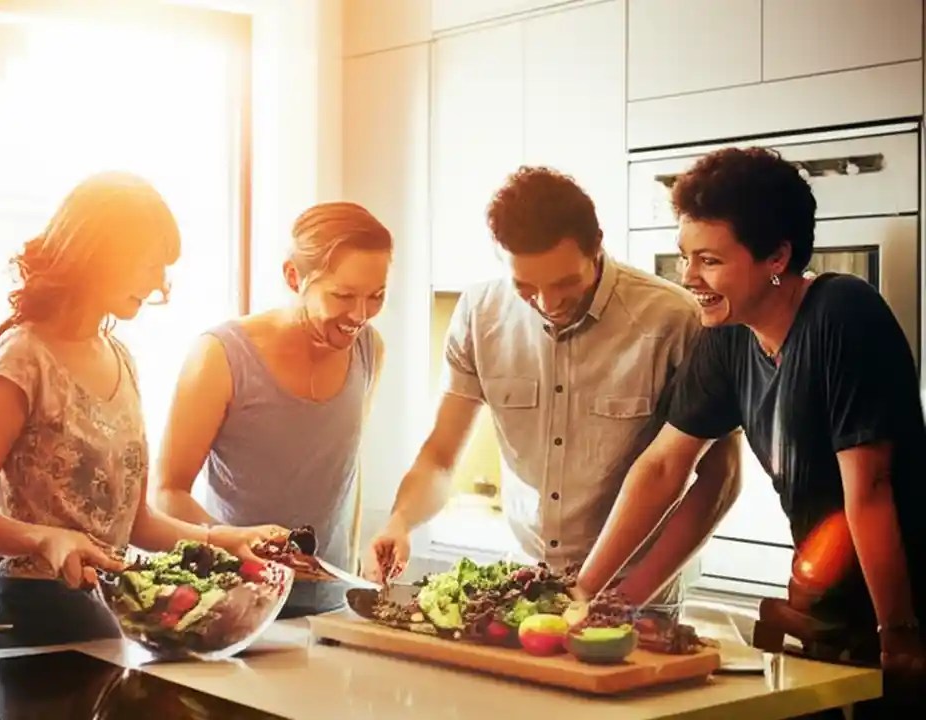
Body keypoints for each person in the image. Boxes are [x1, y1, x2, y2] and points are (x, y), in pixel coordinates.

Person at [571, 147, 925, 715]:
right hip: (831, 611)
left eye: (709, 260)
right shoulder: (730, 336)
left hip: (904, 606)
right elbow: (664, 466)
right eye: (686, 258)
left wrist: (899, 632)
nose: (689, 278)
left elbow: (871, 489)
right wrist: (587, 593)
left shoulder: (842, 313)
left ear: (777, 257)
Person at [0, 171, 286, 647]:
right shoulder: (22, 359)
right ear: (100, 254)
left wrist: (221, 539)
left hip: (107, 613)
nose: (159, 283)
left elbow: (136, 522)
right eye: (150, 264)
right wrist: (46, 539)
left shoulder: (120, 358)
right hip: (34, 613)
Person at [364, 166, 739, 603]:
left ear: (596, 246)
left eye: (565, 282)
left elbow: (722, 477)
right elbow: (440, 456)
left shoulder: (676, 319)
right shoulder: (479, 314)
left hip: (636, 592)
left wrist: (627, 598)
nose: (548, 303)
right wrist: (400, 521)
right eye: (526, 286)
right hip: (528, 582)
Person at [153, 202, 389, 617]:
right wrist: (233, 544)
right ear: (293, 277)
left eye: (377, 296)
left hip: (330, 607)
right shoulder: (221, 355)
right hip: (232, 604)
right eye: (343, 295)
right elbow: (167, 493)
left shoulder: (370, 350)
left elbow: (342, 472)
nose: (360, 315)